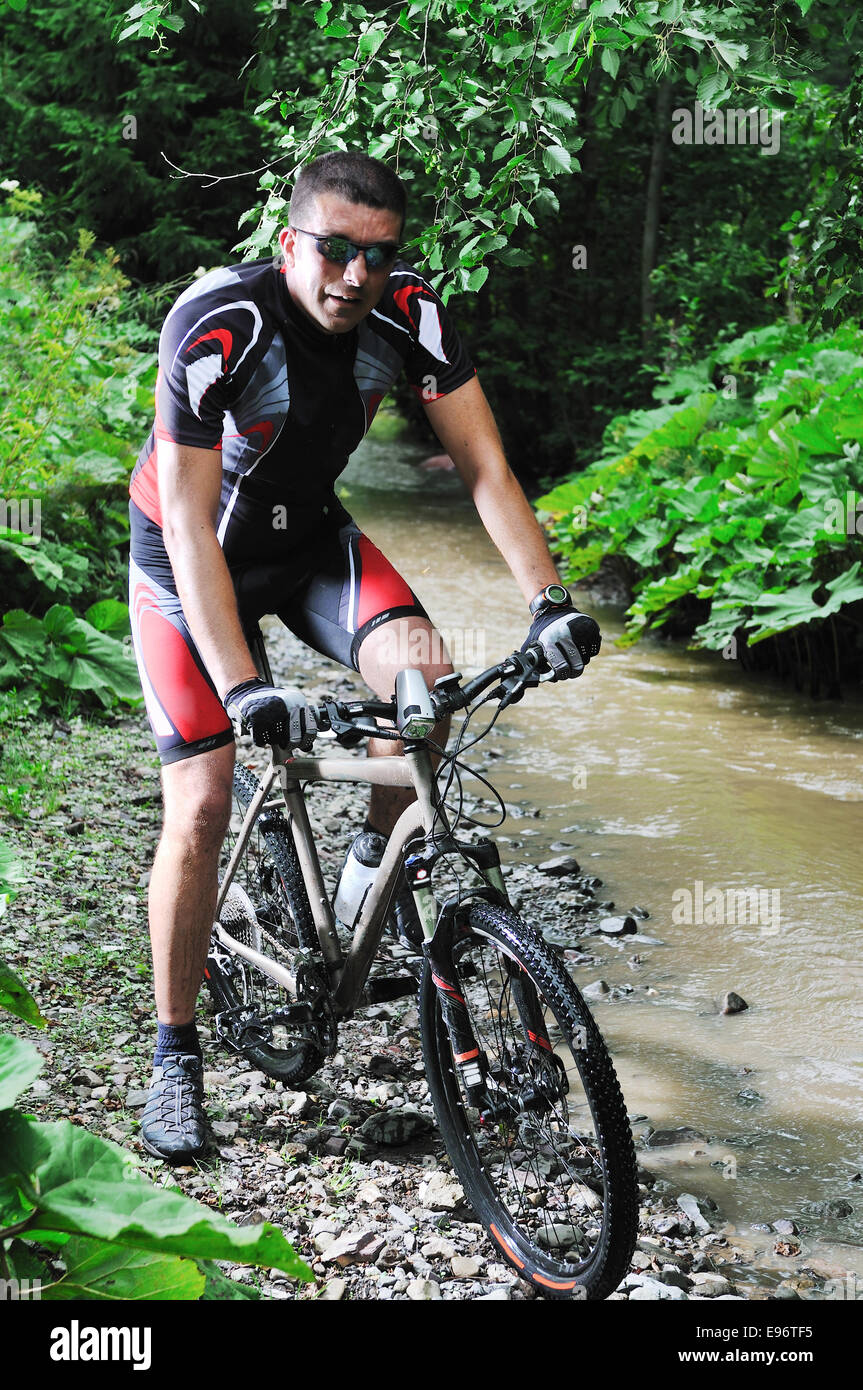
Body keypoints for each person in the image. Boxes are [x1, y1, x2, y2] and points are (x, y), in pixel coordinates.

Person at [128, 151, 601, 1163]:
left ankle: (358, 882)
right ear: (290, 240)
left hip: (309, 547)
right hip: (185, 559)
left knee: (421, 689)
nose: (352, 276)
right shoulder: (220, 322)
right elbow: (187, 521)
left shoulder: (409, 316)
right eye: (333, 250)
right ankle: (173, 1056)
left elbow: (481, 466)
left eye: (374, 257)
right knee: (203, 800)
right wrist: (247, 686)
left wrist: (547, 603)